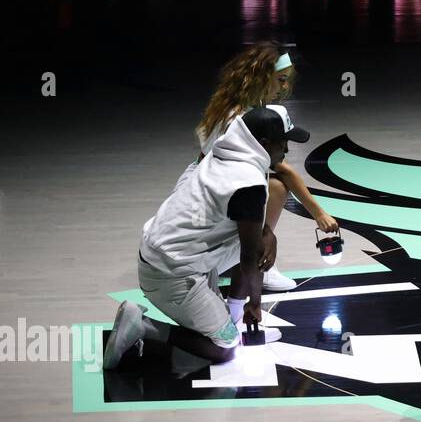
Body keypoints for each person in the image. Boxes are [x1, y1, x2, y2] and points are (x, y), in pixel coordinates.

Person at [103, 106, 310, 370]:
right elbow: (248, 258)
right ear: (264, 143)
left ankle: (229, 317)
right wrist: (256, 304)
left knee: (257, 242)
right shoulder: (248, 183)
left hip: (161, 254)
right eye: (284, 142)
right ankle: (144, 327)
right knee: (225, 347)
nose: (287, 151)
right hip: (172, 274)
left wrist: (268, 235)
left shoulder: (220, 155)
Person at [193, 44, 338, 290]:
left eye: (287, 81)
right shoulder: (239, 118)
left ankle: (250, 253)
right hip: (212, 195)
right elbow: (285, 169)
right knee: (270, 188)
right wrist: (318, 213)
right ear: (260, 76)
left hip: (219, 187)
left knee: (275, 188)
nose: (284, 88)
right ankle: (255, 258)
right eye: (280, 80)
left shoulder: (242, 107)